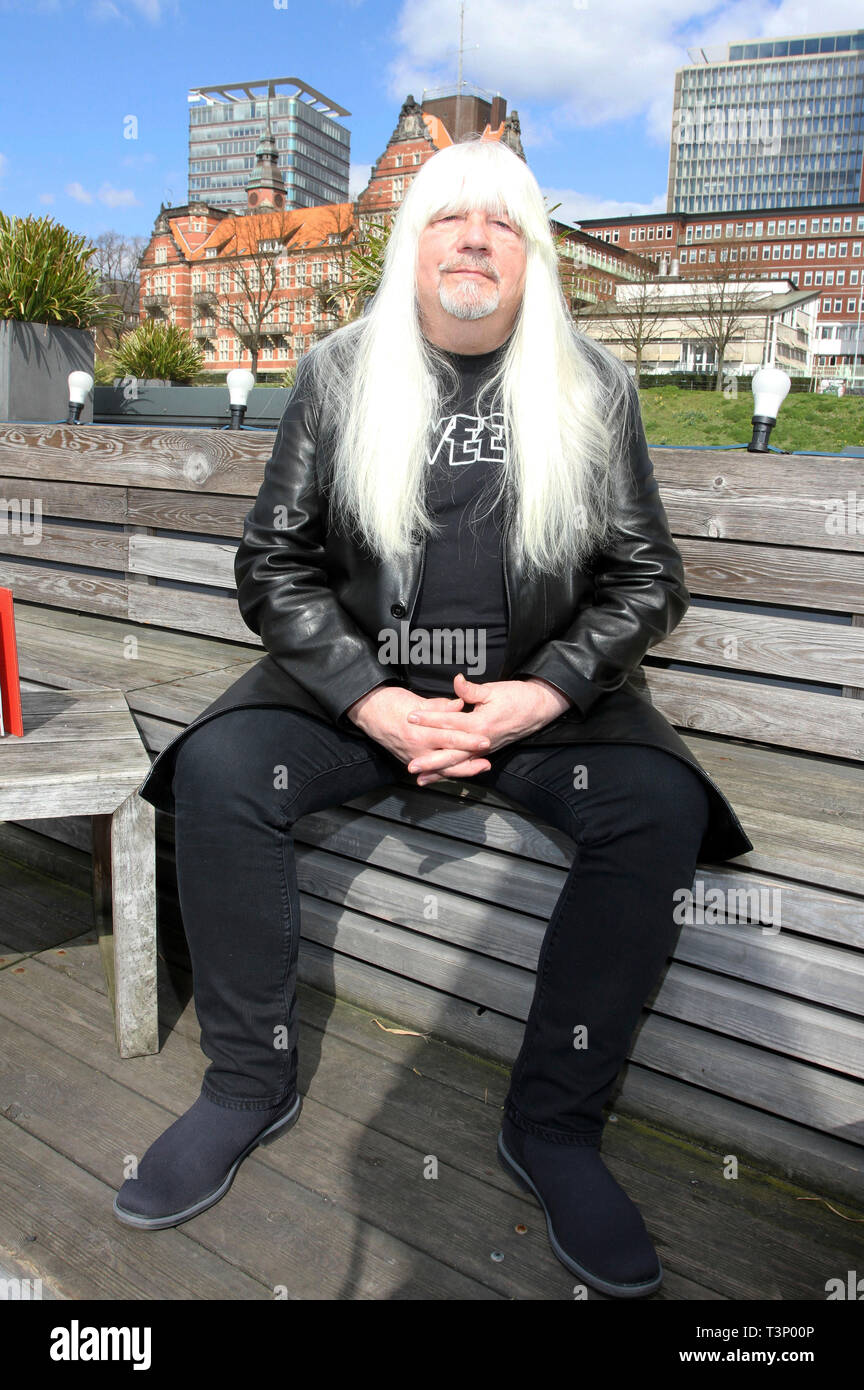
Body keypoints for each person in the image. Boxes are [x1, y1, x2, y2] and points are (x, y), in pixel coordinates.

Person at [115, 137, 753, 1299]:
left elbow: (649, 579)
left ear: (531, 258)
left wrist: (547, 690)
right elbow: (274, 565)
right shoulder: (339, 370)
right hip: (359, 694)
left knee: (659, 808)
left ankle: (553, 1128)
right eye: (448, 218)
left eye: (501, 223)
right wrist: (370, 696)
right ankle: (246, 1084)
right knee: (216, 772)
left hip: (534, 708)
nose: (472, 238)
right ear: (411, 246)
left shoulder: (595, 388)